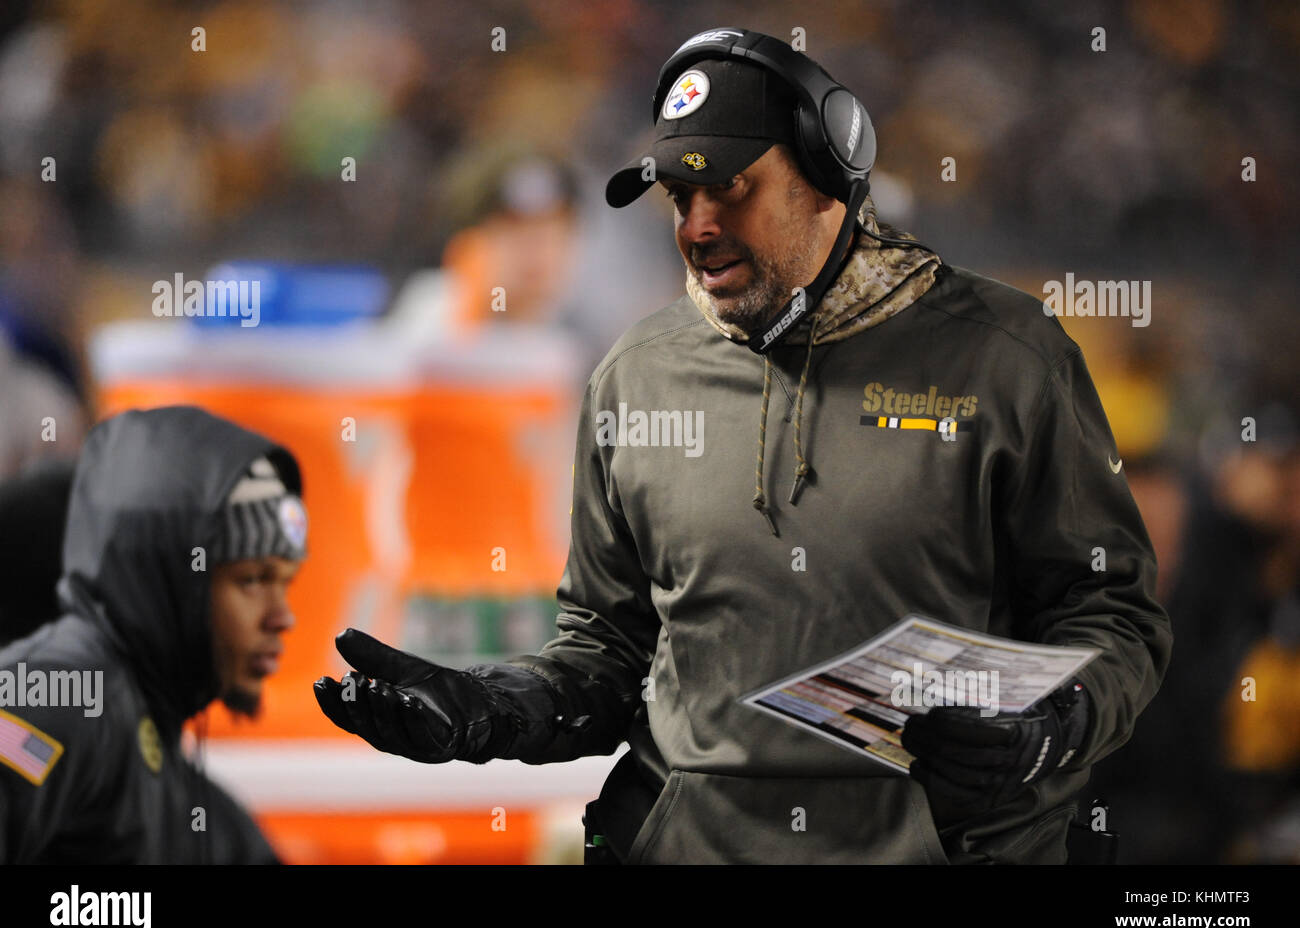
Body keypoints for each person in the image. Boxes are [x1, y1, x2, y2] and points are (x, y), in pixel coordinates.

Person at [314, 28, 1173, 864]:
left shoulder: (1006, 356)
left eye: (729, 190)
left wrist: (1045, 730)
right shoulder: (637, 376)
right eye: (679, 196)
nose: (697, 226)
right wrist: (486, 710)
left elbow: (1114, 616)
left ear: (828, 175)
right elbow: (609, 653)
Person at [0, 406, 308, 863]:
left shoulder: (184, 788)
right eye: (251, 580)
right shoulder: (66, 694)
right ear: (176, 575)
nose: (283, 616)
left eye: (285, 583)